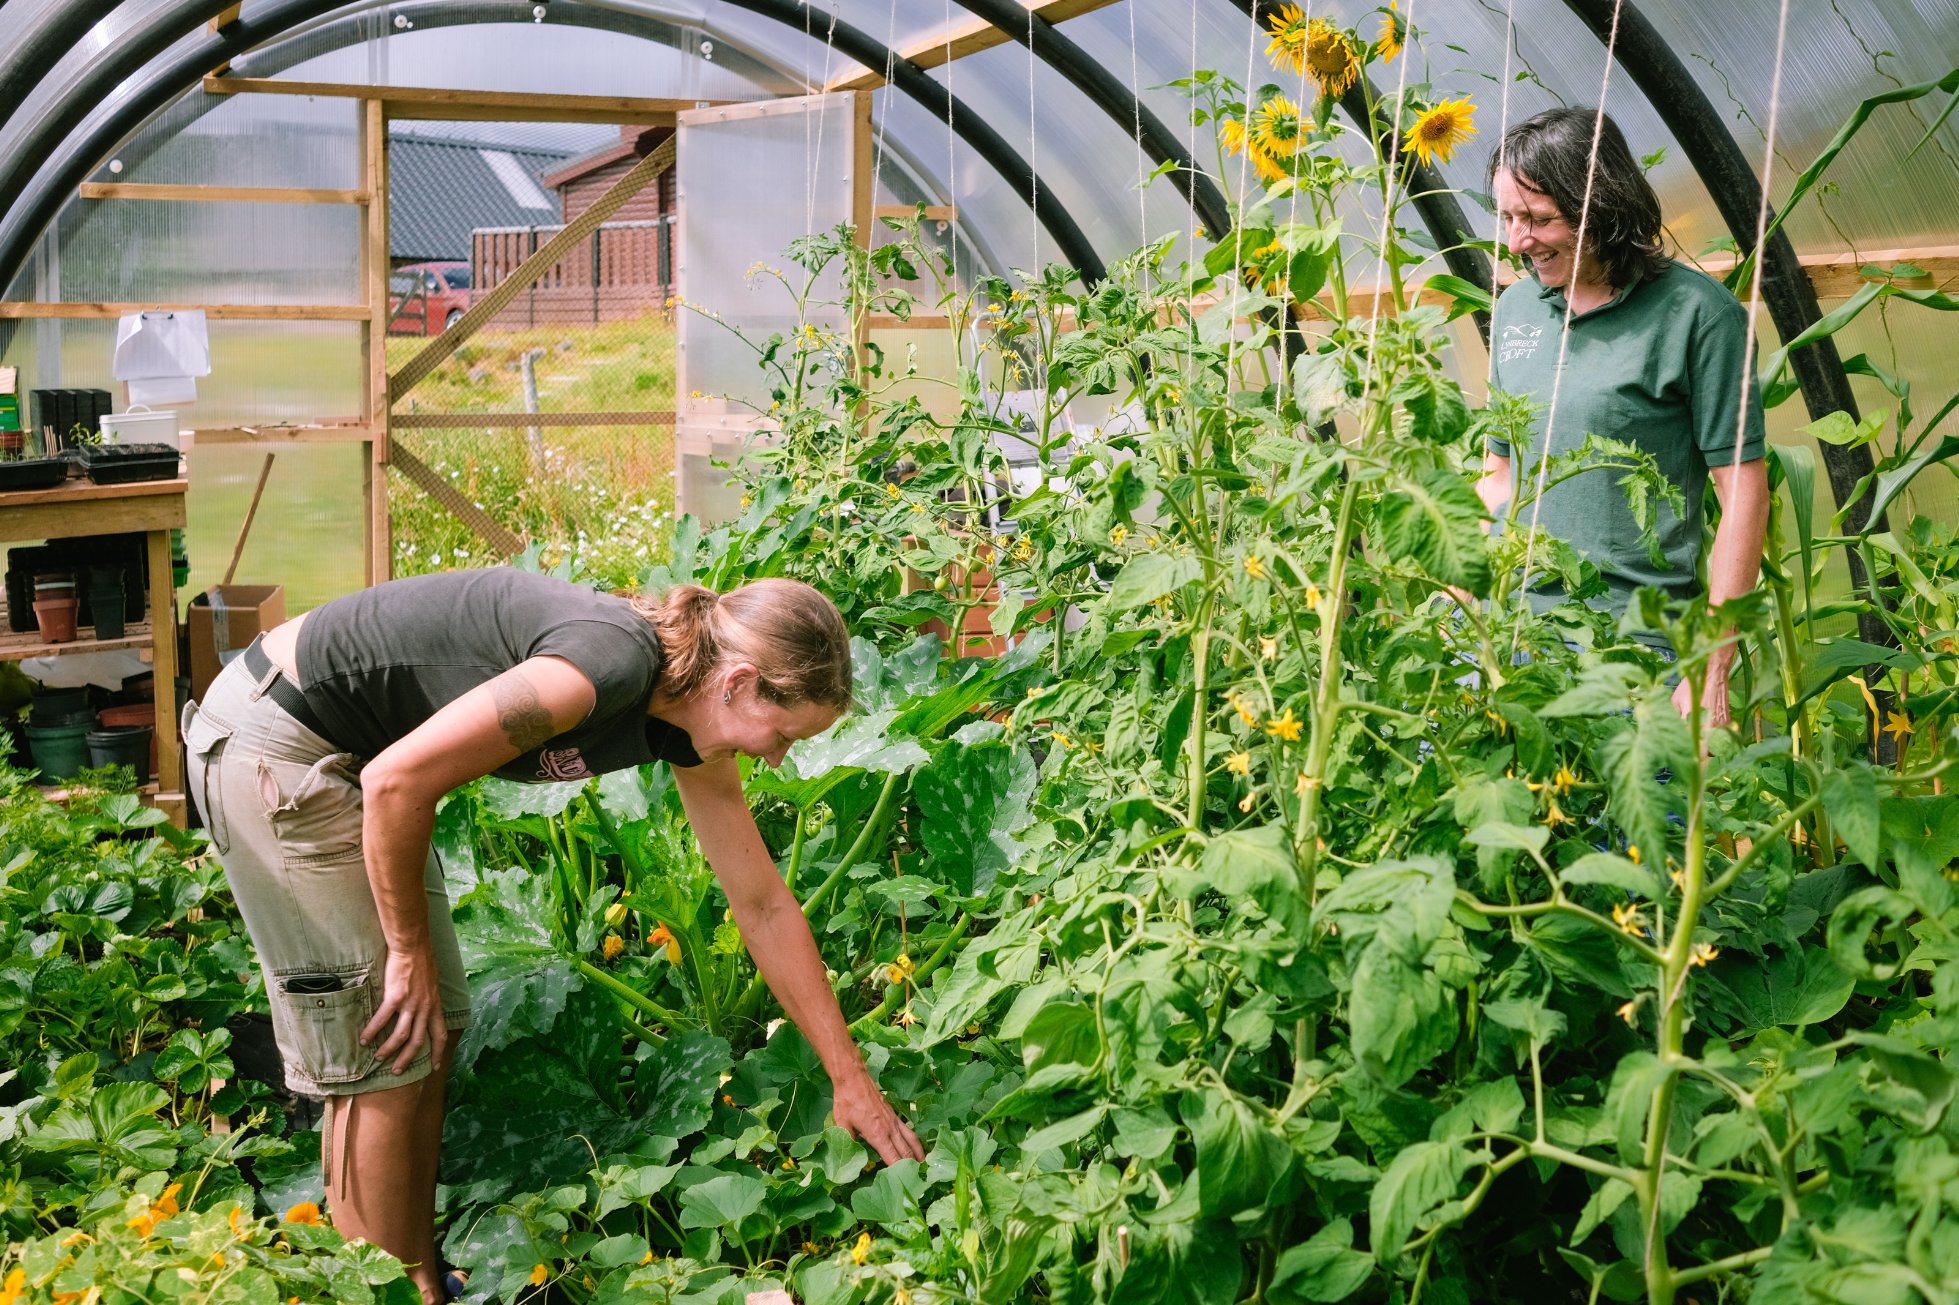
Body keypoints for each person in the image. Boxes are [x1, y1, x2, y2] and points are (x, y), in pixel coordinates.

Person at [181, 568, 924, 1305]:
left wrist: (847, 1076)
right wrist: (405, 953)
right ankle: (364, 1292)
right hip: (277, 739)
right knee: (385, 1048)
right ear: (736, 683)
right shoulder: (601, 669)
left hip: (360, 761)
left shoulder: (690, 726)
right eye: (782, 734)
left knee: (432, 1033)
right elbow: (397, 783)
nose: (776, 759)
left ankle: (413, 1277)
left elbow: (761, 903)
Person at [1474, 106, 1771, 727]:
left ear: (1603, 210)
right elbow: (1499, 472)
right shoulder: (1517, 310)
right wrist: (1455, 594)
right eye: (1506, 217)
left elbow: (1741, 491)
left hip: (1631, 642)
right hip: (1499, 627)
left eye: (1537, 219)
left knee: (1638, 821)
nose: (1516, 241)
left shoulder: (1697, 315)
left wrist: (1711, 661)